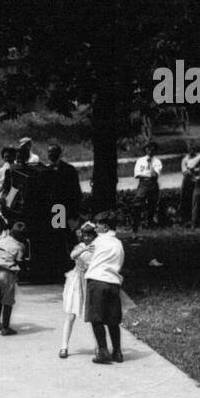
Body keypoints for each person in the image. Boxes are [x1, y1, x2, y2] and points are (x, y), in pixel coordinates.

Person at [83, 211, 125, 364]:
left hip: (97, 281)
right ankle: (118, 351)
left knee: (97, 318)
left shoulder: (97, 241)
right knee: (113, 320)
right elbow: (120, 262)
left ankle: (103, 351)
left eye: (98, 225)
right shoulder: (118, 243)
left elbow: (86, 257)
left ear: (105, 227)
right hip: (113, 282)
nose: (95, 228)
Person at [59, 222, 97, 358]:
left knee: (94, 316)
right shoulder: (80, 247)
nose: (87, 238)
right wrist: (84, 249)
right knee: (70, 314)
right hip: (77, 282)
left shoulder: (97, 247)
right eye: (85, 235)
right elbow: (72, 255)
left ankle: (98, 346)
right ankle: (64, 346)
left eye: (90, 235)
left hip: (91, 282)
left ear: (94, 235)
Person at [131, 142, 163, 232]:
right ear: (145, 149)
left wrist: (150, 165)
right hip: (143, 184)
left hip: (153, 184)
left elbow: (154, 175)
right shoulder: (140, 160)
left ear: (155, 150)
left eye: (152, 149)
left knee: (152, 204)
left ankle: (149, 223)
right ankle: (135, 225)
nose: (150, 150)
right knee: (138, 202)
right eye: (148, 148)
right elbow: (137, 174)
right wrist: (147, 175)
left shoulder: (157, 162)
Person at [179, 142, 199, 225]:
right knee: (185, 200)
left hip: (196, 182)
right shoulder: (185, 159)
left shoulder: (199, 158)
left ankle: (195, 220)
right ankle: (185, 220)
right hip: (187, 182)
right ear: (188, 150)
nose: (192, 151)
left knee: (195, 201)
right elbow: (184, 172)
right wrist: (193, 171)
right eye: (190, 149)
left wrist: (191, 169)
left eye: (193, 149)